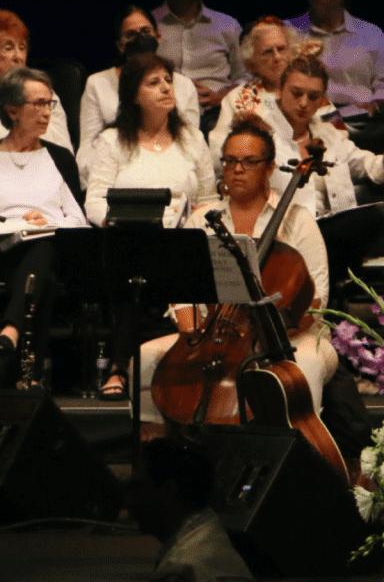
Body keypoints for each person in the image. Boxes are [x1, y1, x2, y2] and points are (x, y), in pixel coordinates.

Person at [136, 114, 338, 427]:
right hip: (212, 332)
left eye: (249, 161)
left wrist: (264, 339)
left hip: (292, 337)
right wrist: (191, 333)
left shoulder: (298, 221)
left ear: (269, 167)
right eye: (230, 161)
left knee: (306, 364)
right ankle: (158, 442)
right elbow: (181, 287)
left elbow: (316, 301)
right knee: (144, 359)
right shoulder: (203, 219)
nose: (237, 169)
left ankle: (298, 443)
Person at [85, 52, 216, 399]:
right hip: (131, 240)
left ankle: (193, 360)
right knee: (131, 258)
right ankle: (119, 366)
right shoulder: (113, 141)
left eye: (168, 81)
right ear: (134, 94)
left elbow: (209, 199)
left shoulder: (192, 138)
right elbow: (95, 201)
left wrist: (195, 218)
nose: (166, 88)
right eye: (153, 83)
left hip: (183, 241)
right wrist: (119, 223)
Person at [266, 53, 384, 283]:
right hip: (286, 233)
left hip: (328, 230)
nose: (304, 103)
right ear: (280, 90)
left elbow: (361, 161)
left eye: (313, 96)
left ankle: (324, 284)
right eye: (296, 93)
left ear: (322, 99)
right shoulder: (262, 133)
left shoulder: (328, 133)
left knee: (373, 218)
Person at [0, 67, 88, 386]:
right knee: (43, 278)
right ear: (12, 110)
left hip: (48, 248)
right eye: (38, 104)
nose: (47, 112)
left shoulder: (60, 158)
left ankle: (10, 332)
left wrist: (47, 222)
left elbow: (79, 222)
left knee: (43, 248)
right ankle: (29, 379)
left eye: (49, 103)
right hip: (3, 250)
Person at [77, 5, 201, 183]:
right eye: (131, 35)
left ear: (158, 36)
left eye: (145, 31)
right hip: (116, 172)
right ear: (121, 45)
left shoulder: (184, 85)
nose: (140, 39)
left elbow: (189, 141)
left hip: (171, 171)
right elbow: (88, 146)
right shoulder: (97, 83)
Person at [125, 436, 258, 582]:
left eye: (137, 487)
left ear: (168, 490)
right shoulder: (209, 547)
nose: (127, 499)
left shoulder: (183, 569)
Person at [206, 16, 313, 173]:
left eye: (281, 49)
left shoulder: (311, 89)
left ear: (291, 52)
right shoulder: (237, 98)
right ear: (252, 61)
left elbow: (338, 135)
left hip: (317, 172)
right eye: (268, 52)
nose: (277, 57)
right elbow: (217, 151)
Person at [152, 0, 244, 115]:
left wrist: (225, 96)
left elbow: (245, 75)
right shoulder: (150, 25)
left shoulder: (227, 25)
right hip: (164, 112)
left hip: (217, 112)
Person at [0, 10, 73, 151]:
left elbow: (63, 147)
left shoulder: (44, 94)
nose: (18, 56)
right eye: (8, 48)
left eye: (22, 48)